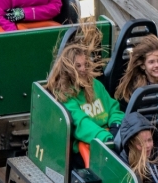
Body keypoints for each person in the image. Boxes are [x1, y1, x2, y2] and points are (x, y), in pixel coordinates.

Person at [46, 22, 124, 168]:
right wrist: (105, 137)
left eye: (85, 65)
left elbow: (113, 106)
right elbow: (80, 123)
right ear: (68, 68)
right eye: (78, 66)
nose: (82, 70)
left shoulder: (95, 85)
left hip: (108, 137)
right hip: (88, 145)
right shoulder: (64, 94)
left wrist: (116, 125)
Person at [114, 35, 158, 117]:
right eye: (151, 62)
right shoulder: (135, 85)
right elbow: (128, 115)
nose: (157, 65)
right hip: (143, 127)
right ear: (143, 65)